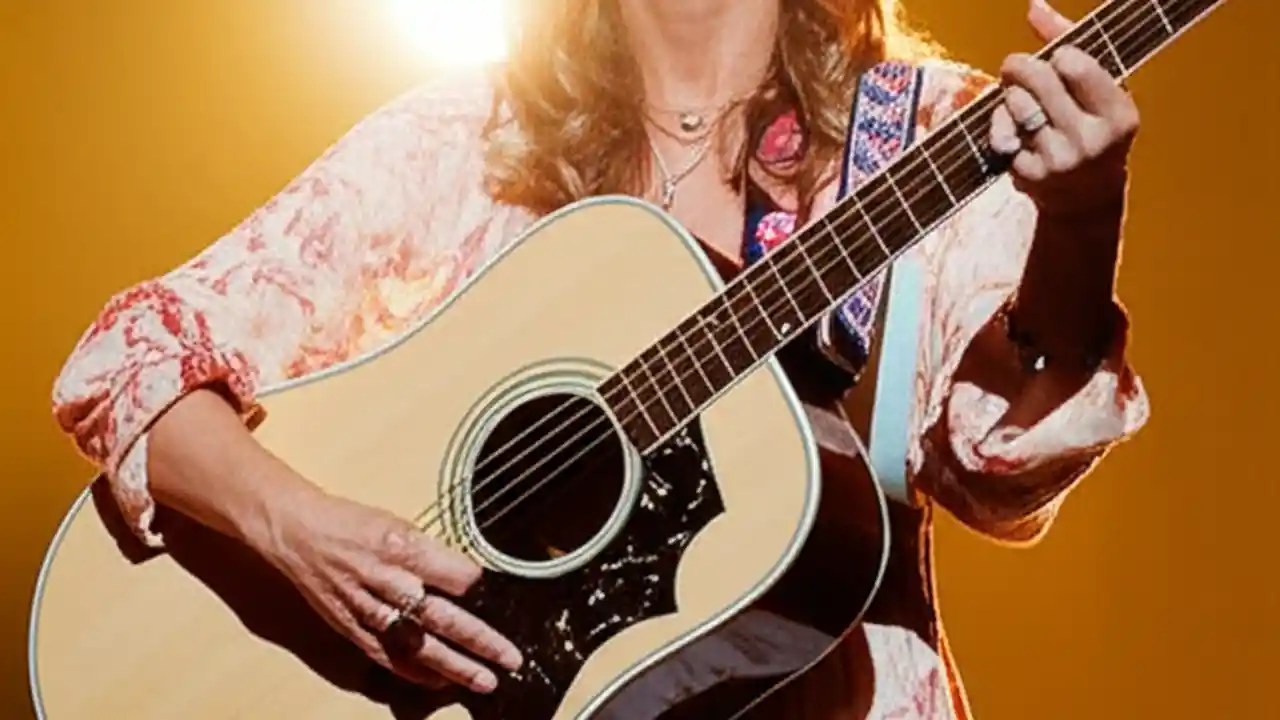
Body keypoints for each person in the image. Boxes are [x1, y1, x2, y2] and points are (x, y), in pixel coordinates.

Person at [51, 0, 1149, 717]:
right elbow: (131, 358)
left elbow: (986, 468)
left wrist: (1079, 220)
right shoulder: (463, 140)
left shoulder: (926, 134)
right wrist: (297, 529)